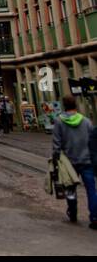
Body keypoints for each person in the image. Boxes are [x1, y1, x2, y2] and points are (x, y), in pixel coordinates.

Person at [51, 95, 96, 228]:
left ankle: (73, 213)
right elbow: (93, 141)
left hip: (69, 162)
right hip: (87, 160)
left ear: (64, 106)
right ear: (75, 105)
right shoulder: (86, 121)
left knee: (70, 189)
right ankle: (95, 216)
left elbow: (56, 144)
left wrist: (55, 159)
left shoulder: (59, 122)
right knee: (91, 190)